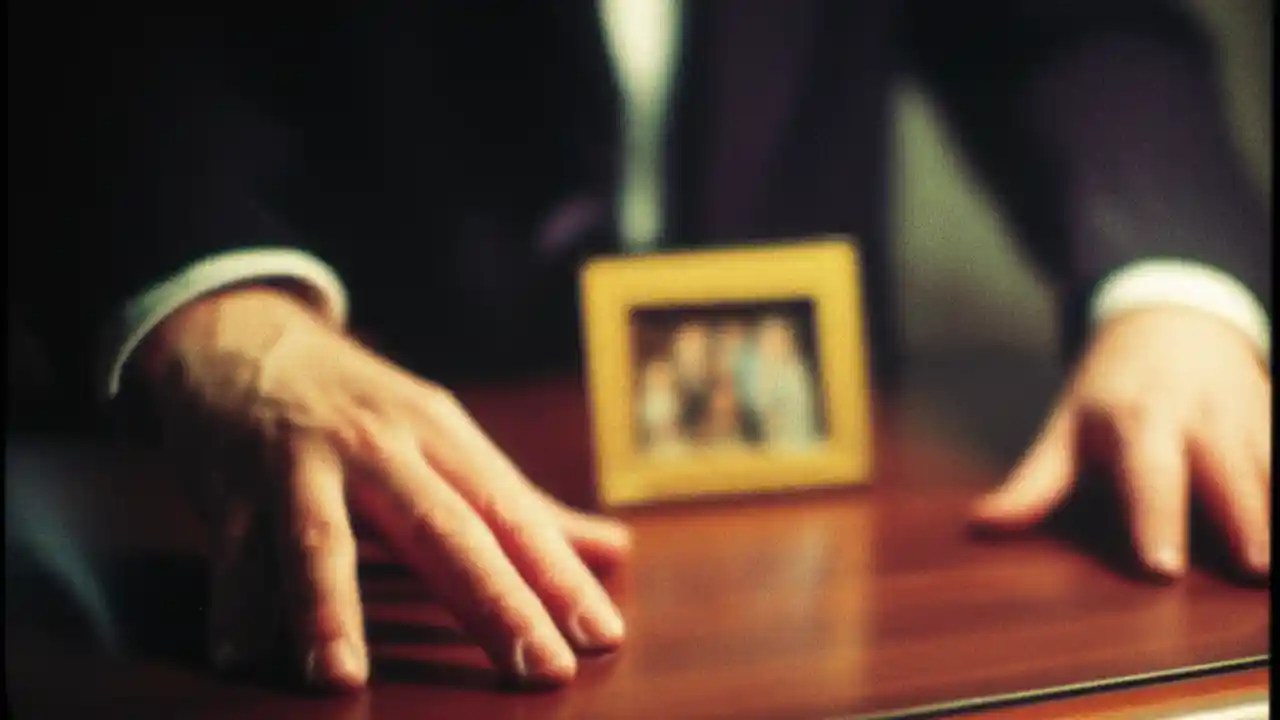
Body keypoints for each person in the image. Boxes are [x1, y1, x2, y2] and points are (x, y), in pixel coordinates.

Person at [7, 2, 1271, 692]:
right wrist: (203, 299)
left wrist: (1178, 292)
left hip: (840, 539)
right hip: (349, 520)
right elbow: (106, 46)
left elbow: (1070, 24)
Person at [753, 316, 821, 450]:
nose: (768, 347)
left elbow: (771, 415)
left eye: (775, 341)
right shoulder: (770, 371)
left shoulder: (793, 372)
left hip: (796, 446)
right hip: (781, 447)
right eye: (765, 341)